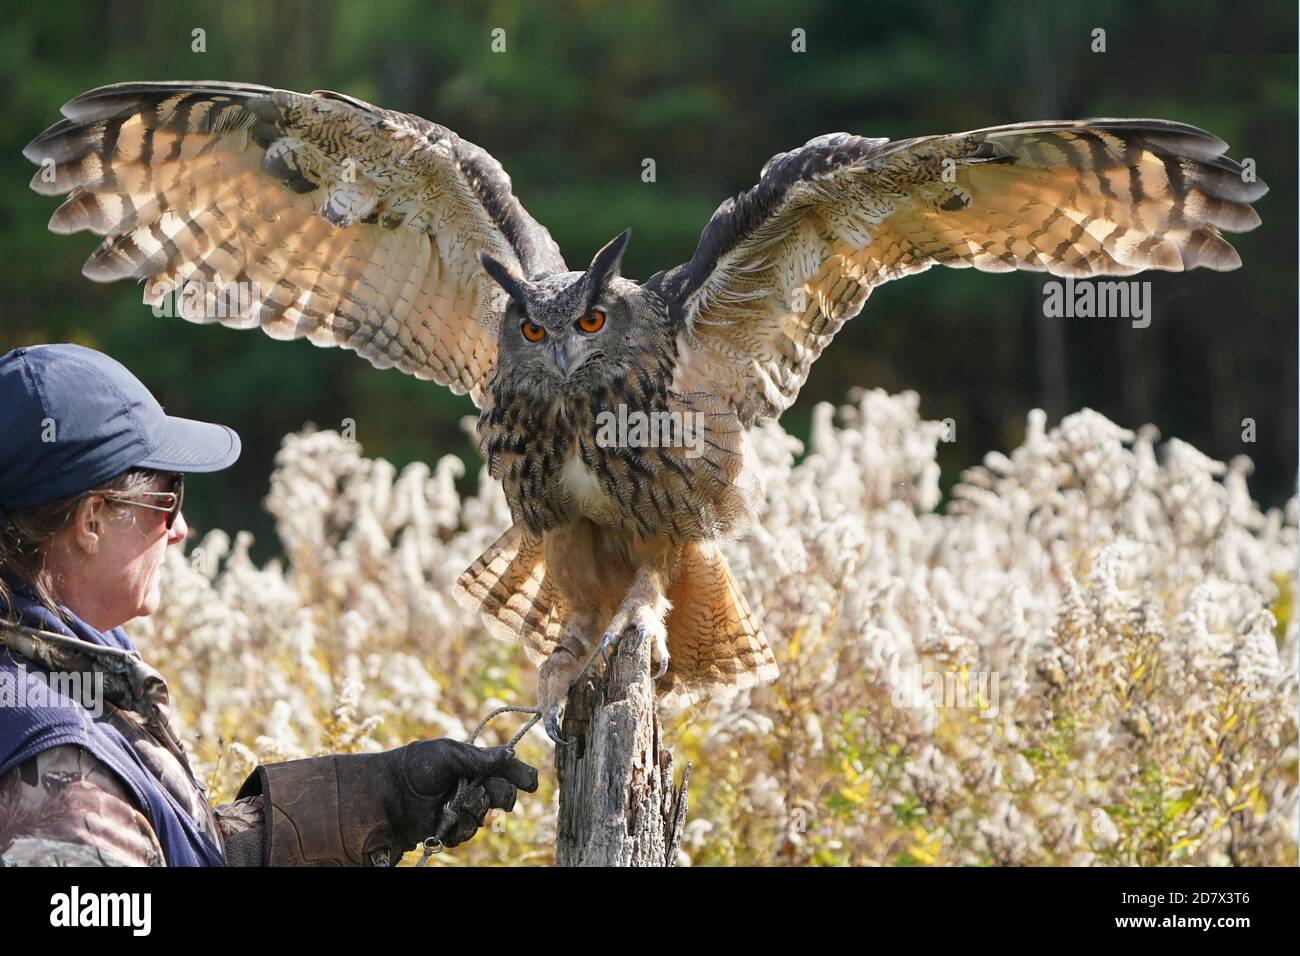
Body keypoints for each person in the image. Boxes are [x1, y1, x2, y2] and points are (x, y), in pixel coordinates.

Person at [0, 343, 537, 866]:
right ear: (93, 520)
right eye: (168, 498)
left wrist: (388, 795)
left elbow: (185, 847)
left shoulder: (70, 664)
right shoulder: (65, 785)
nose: (181, 530)